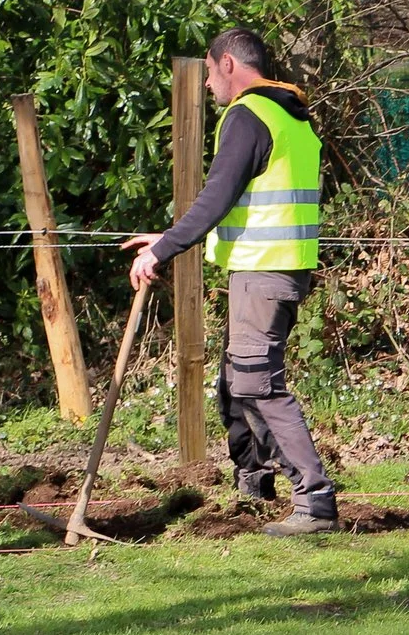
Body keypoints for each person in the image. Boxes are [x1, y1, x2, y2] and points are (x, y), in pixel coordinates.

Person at [125, 27, 337, 536]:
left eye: (208, 71)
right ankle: (257, 484)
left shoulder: (247, 115)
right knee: (237, 381)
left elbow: (216, 196)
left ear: (227, 65)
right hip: (279, 267)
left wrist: (163, 249)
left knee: (256, 383)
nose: (206, 85)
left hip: (264, 273)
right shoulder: (291, 117)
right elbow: (249, 202)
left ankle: (314, 500)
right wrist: (171, 234)